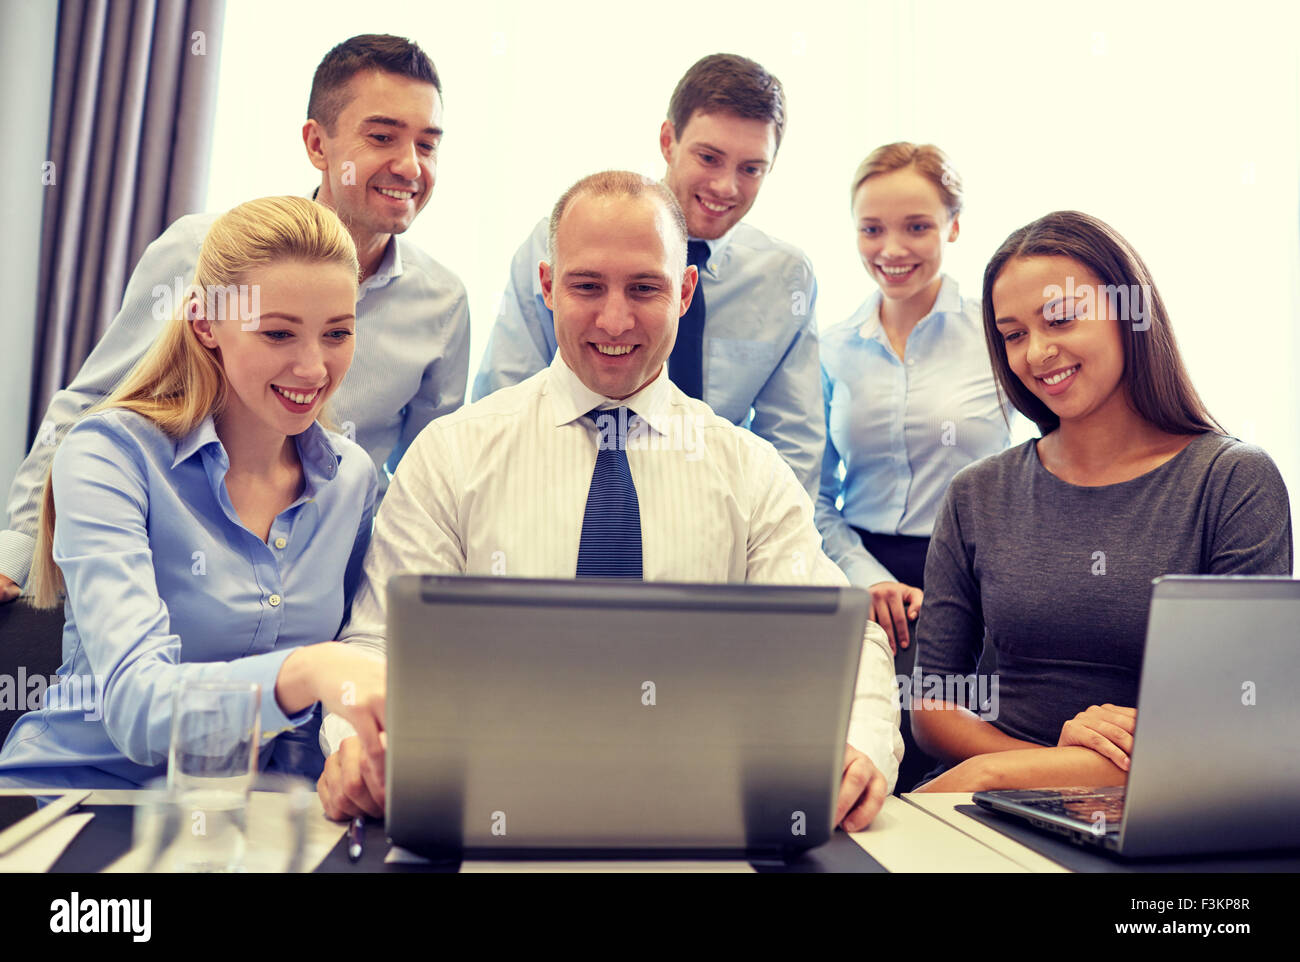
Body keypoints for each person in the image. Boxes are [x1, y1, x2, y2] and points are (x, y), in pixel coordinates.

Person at [317, 171, 903, 832]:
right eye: (587, 286)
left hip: (696, 819)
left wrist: (860, 746)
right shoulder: (450, 456)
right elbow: (375, 647)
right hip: (488, 813)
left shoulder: (749, 472)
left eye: (645, 288)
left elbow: (846, 641)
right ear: (547, 287)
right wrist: (351, 748)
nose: (615, 319)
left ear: (684, 293)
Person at [0, 34, 469, 605]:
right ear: (316, 144)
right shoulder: (202, 251)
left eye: (428, 144)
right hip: (176, 580)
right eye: (382, 137)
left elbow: (421, 490)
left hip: (316, 599)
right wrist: (18, 547)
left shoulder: (443, 304)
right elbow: (93, 404)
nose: (410, 165)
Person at [0, 197, 388, 789]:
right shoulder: (110, 456)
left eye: (337, 333)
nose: (313, 368)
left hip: (258, 817)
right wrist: (307, 670)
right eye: (278, 333)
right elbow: (138, 710)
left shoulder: (352, 478)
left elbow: (344, 682)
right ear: (206, 323)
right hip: (80, 802)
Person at [910, 210, 1293, 792]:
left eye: (1060, 319)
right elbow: (932, 707)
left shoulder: (1232, 481)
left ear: (1129, 313)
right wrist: (1034, 769)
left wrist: (1001, 771)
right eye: (1013, 335)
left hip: (1154, 803)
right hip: (986, 802)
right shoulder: (976, 493)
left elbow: (1240, 713)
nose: (1037, 353)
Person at [472, 54, 823, 496]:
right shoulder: (565, 241)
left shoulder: (785, 277)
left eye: (751, 168)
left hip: (715, 517)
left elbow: (794, 447)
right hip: (560, 496)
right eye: (709, 157)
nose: (726, 187)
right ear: (668, 141)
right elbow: (503, 403)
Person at [815, 143, 1027, 792]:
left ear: (953, 227)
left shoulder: (1000, 332)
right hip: (868, 578)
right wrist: (866, 578)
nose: (892, 248)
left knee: (960, 765)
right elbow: (816, 497)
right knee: (862, 763)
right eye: (871, 229)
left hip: (977, 574)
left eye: (917, 226)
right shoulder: (833, 347)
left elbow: (1042, 463)